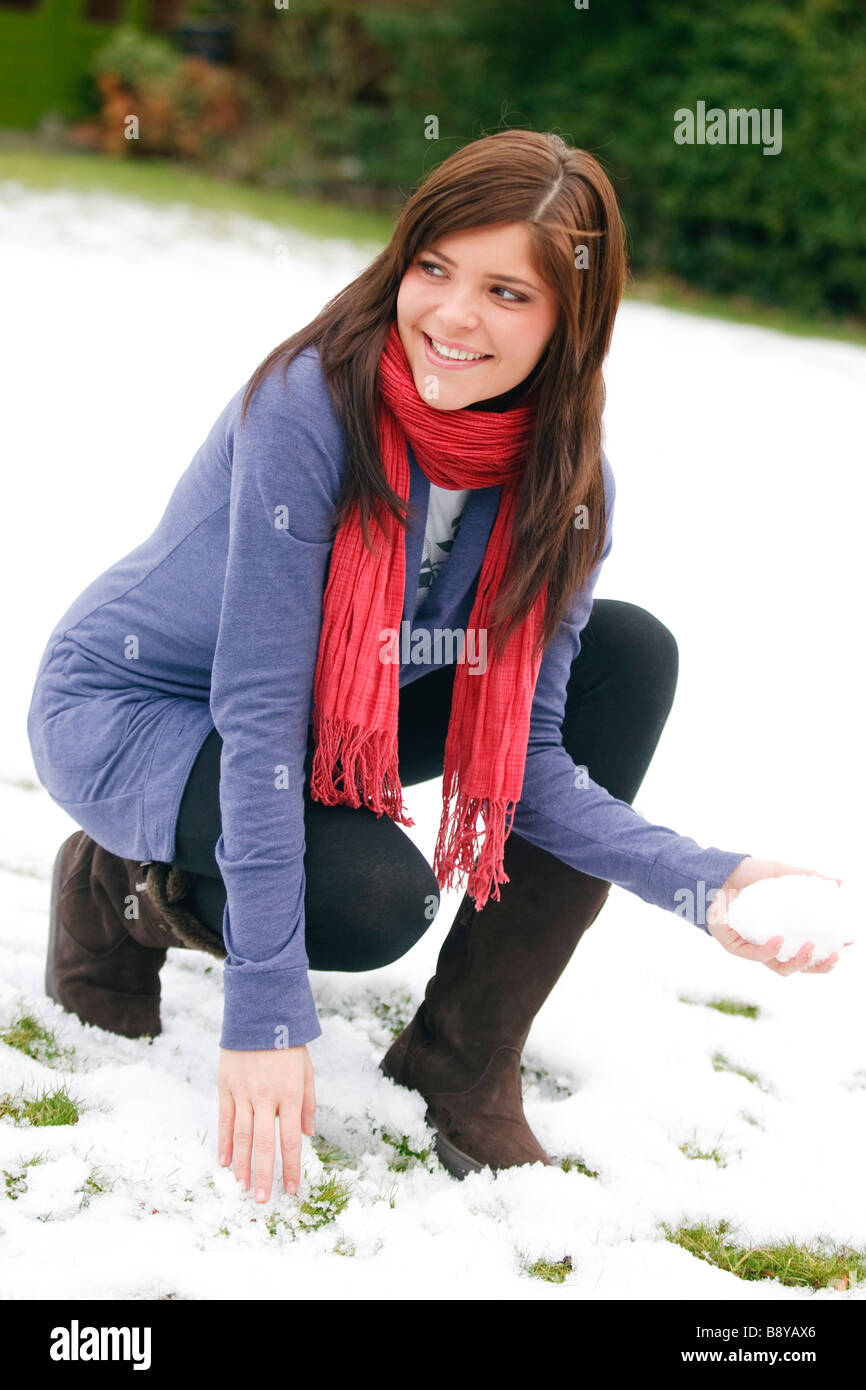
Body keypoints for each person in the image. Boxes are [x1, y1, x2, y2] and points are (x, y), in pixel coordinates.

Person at [27, 129, 841, 1200]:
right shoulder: (308, 409)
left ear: (567, 320)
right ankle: (118, 888)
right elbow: (260, 712)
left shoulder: (567, 479)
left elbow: (525, 760)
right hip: (141, 708)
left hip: (340, 704)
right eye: (434, 269)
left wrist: (703, 881)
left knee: (626, 654)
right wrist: (264, 1006)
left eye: (507, 292)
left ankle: (460, 1058)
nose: (452, 318)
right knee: (366, 903)